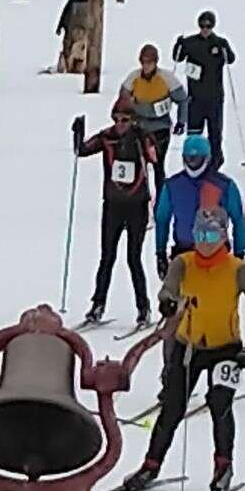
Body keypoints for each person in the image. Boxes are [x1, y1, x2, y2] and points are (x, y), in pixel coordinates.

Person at [119, 206, 245, 491]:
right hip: (188, 346)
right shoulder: (183, 262)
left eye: (211, 234)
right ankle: (151, 465)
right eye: (200, 234)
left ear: (224, 235)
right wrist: (167, 302)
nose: (205, 241)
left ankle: (223, 467)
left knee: (220, 405)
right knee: (172, 408)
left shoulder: (236, 268)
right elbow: (168, 290)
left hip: (226, 349)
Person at [73, 98, 159, 328]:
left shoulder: (141, 137)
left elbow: (155, 159)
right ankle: (97, 304)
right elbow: (82, 151)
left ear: (132, 120)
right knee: (107, 257)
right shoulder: (107, 137)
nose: (120, 124)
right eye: (117, 119)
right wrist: (77, 133)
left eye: (125, 120)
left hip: (137, 206)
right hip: (112, 205)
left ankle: (143, 308)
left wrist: (147, 138)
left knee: (133, 258)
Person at [154, 134, 245, 276]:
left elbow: (238, 219)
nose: (192, 163)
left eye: (196, 159)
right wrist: (160, 253)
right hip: (184, 253)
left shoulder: (224, 185)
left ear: (207, 158)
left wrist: (239, 253)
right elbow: (162, 220)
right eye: (189, 159)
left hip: (217, 254)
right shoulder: (172, 185)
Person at [119, 44, 190, 185]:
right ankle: (140, 200)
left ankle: (160, 201)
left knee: (158, 166)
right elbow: (122, 102)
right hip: (138, 127)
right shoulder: (133, 78)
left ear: (155, 63)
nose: (146, 66)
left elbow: (182, 100)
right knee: (138, 167)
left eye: (149, 63)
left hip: (160, 129)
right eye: (143, 62)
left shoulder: (166, 78)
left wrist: (181, 121)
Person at [172, 11, 236, 162]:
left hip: (214, 97)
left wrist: (224, 51)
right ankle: (193, 159)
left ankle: (216, 160)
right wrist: (178, 44)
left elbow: (231, 60)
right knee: (194, 134)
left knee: (215, 133)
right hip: (195, 97)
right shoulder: (191, 42)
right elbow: (177, 57)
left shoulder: (220, 43)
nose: (205, 29)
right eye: (203, 25)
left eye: (209, 25)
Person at [55, 0, 89, 74]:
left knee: (69, 47)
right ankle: (78, 66)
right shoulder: (76, 2)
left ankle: (68, 65)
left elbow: (65, 14)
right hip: (84, 28)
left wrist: (59, 27)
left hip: (72, 27)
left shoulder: (73, 1)